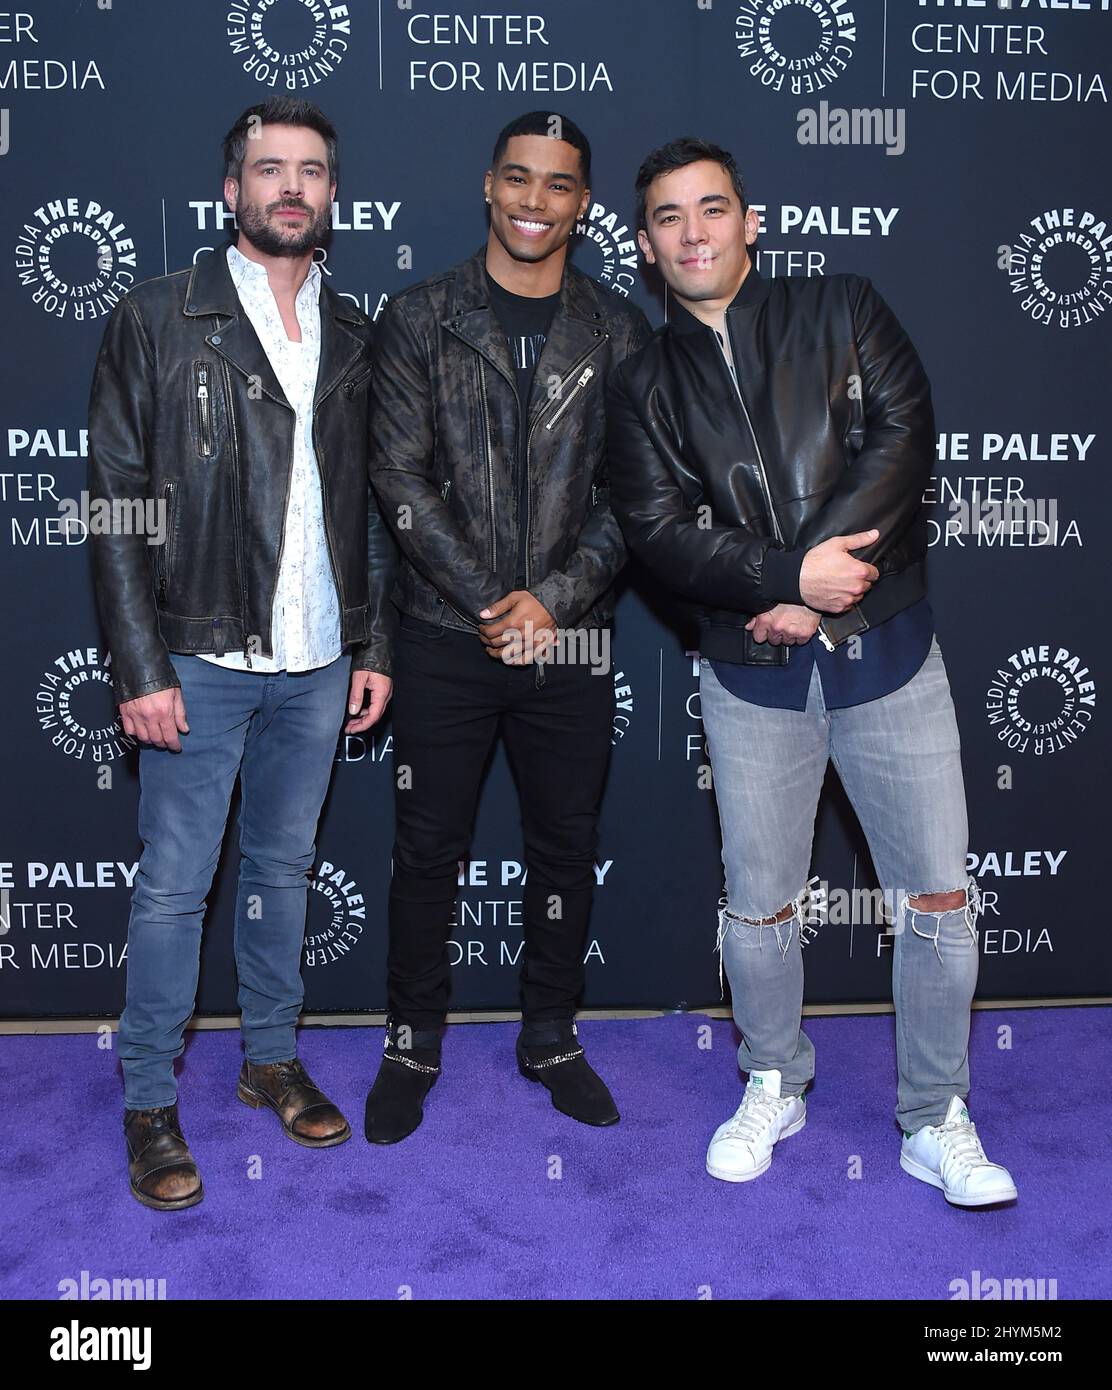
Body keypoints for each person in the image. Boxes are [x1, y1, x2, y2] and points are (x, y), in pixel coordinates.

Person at [605, 137, 1016, 1206]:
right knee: (758, 910)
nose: (691, 231)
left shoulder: (845, 305)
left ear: (749, 222)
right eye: (666, 217)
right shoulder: (641, 379)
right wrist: (782, 577)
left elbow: (901, 441)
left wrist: (819, 579)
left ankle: (934, 1114)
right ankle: (773, 1078)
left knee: (933, 899)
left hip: (888, 655)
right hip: (750, 675)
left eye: (710, 208)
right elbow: (653, 532)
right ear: (645, 245)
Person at [87, 98, 396, 1209]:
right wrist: (138, 663)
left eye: (310, 169)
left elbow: (369, 506)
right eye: (270, 169)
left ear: (330, 194)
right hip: (198, 652)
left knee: (278, 872)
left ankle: (270, 1058)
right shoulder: (158, 315)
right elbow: (117, 503)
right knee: (174, 887)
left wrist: (370, 639)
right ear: (231, 190)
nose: (291, 187)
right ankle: (148, 1100)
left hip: (319, 657)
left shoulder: (355, 331)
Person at [364, 111, 652, 1144]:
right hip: (446, 632)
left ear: (584, 203)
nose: (536, 201)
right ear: (488, 186)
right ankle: (411, 1040)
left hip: (568, 640)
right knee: (424, 850)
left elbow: (636, 495)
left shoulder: (620, 331)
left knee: (564, 848)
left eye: (559, 185)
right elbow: (393, 476)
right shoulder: (418, 317)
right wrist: (496, 602)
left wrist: (555, 601)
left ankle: (549, 1035)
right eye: (519, 180)